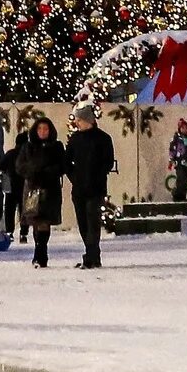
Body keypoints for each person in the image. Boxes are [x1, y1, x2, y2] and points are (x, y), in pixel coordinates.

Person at [64, 104, 117, 269]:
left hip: (96, 188)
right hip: (79, 189)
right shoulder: (75, 139)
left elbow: (108, 161)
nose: (77, 123)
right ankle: (93, 255)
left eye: (79, 120)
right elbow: (67, 162)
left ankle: (91, 256)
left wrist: (97, 175)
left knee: (92, 221)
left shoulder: (103, 138)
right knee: (83, 223)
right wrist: (75, 177)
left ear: (88, 120)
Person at [13, 113, 67, 267]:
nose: (43, 131)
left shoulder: (56, 147)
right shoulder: (28, 147)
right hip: (32, 189)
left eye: (46, 129)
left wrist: (49, 172)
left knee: (44, 221)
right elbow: (19, 166)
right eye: (40, 128)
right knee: (35, 221)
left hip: (50, 190)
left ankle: (41, 252)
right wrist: (32, 171)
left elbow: (62, 166)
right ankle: (39, 252)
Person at [167, 117, 187, 207]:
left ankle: (183, 196)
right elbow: (172, 150)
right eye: (182, 128)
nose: (184, 129)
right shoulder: (176, 138)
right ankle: (177, 195)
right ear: (179, 128)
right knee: (181, 179)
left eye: (186, 128)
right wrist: (171, 161)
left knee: (185, 181)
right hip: (179, 162)